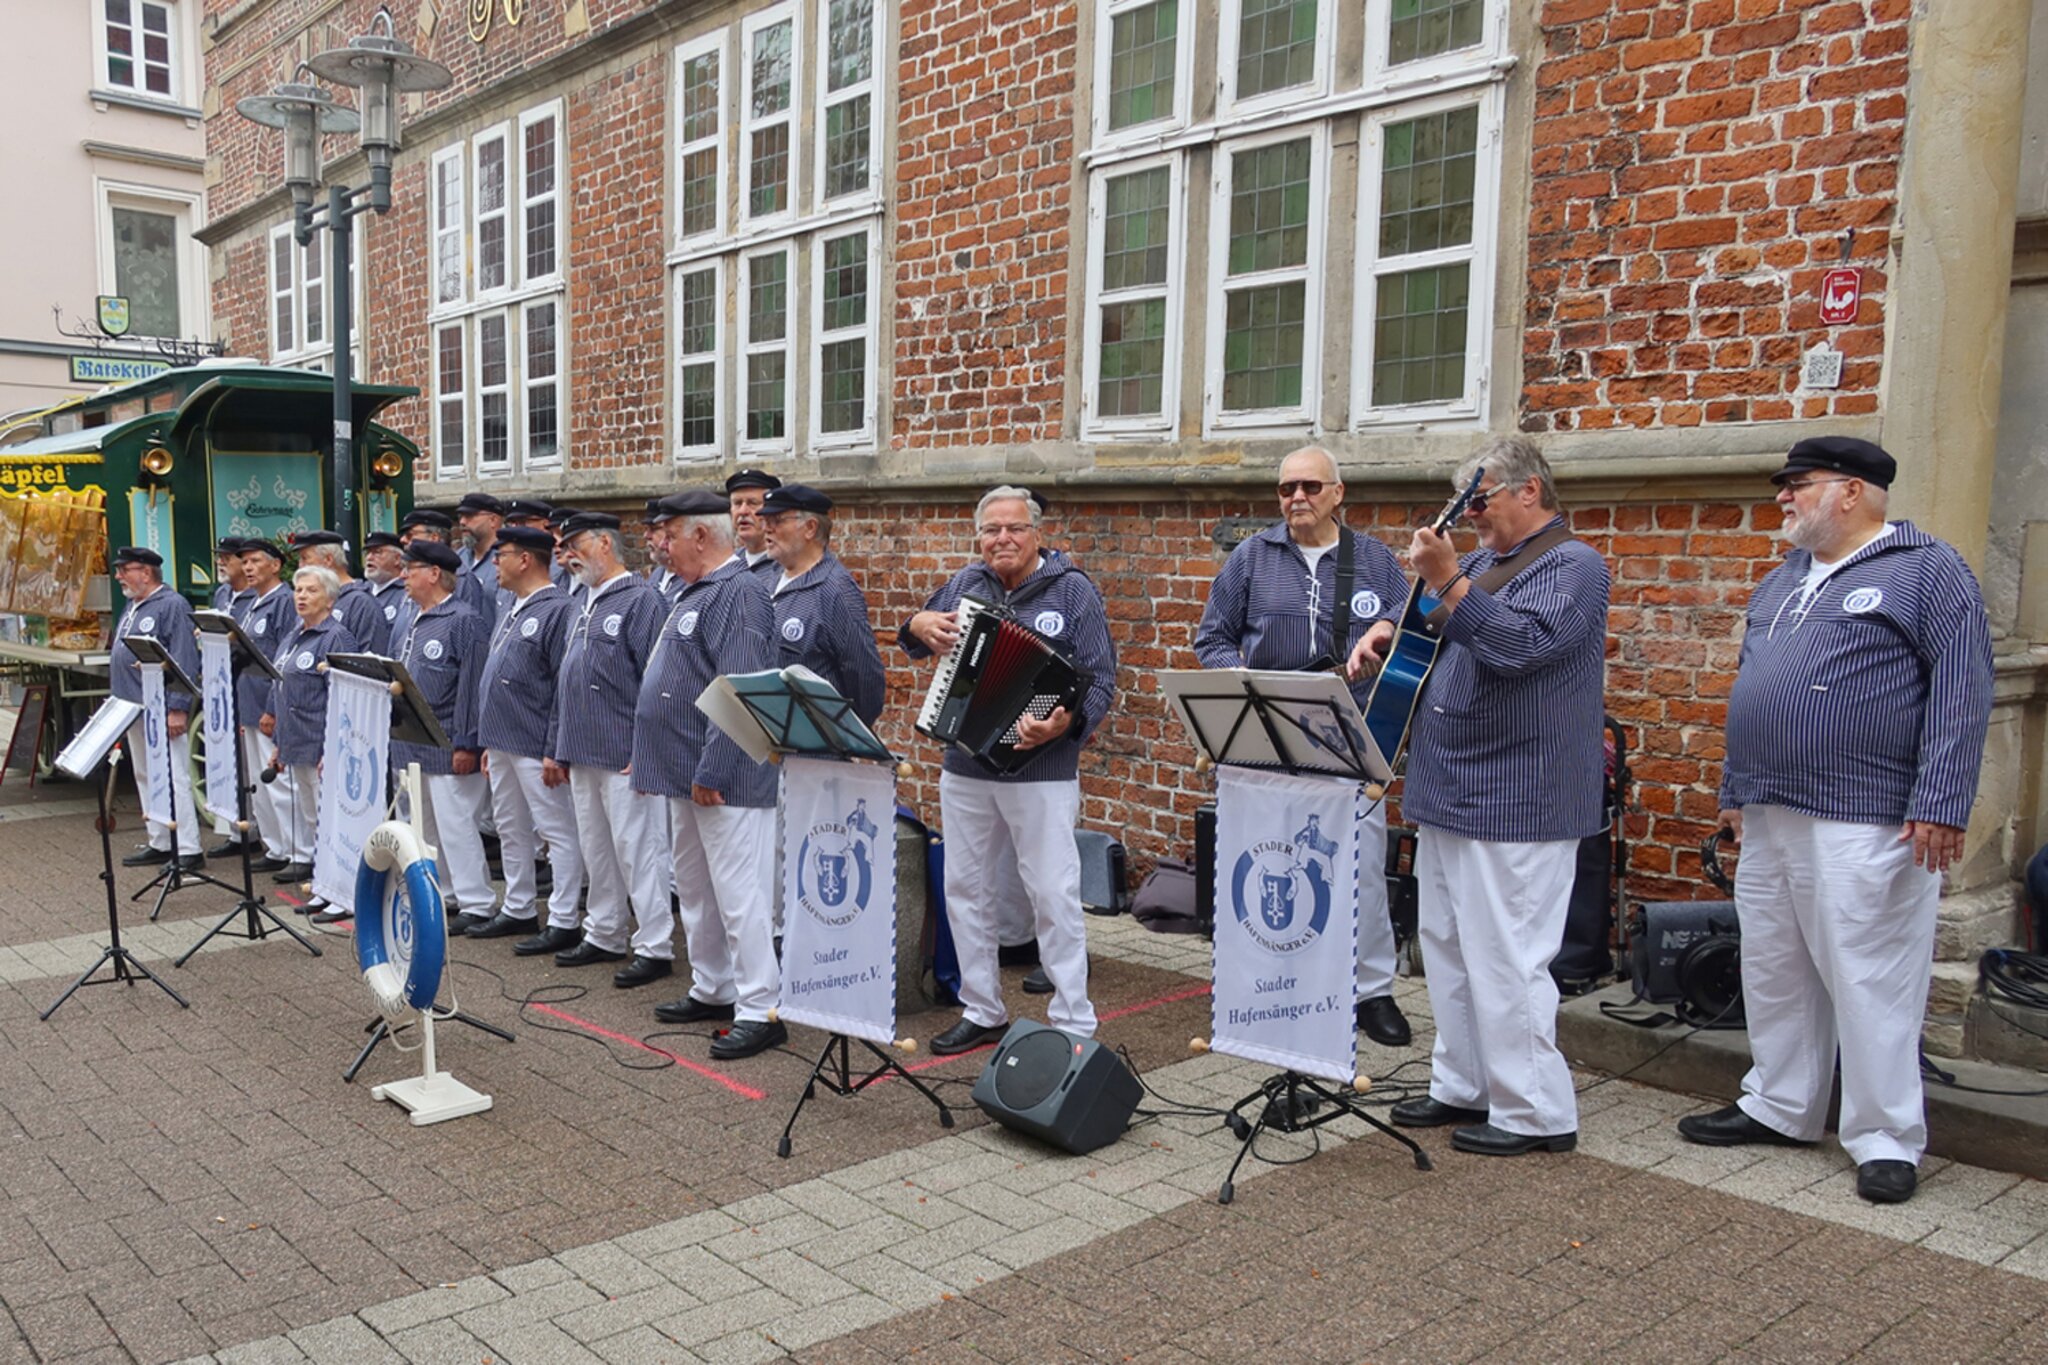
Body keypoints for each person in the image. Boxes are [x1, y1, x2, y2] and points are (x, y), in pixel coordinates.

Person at [1675, 437, 1994, 1206]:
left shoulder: (1927, 569)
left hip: (1868, 813)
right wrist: (1734, 788)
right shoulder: (1784, 577)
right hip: (1772, 807)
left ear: (1851, 492)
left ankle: (1885, 1134)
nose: (1783, 497)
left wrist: (1941, 801)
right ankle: (1781, 1102)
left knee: (1871, 973)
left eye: (1798, 484)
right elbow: (1754, 687)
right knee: (1776, 963)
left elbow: (1962, 687)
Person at [1355, 436, 1608, 1157]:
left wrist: (1448, 582)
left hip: (1520, 793)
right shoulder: (1476, 563)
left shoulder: (1574, 565)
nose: (1470, 518)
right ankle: (1463, 1081)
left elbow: (1522, 646)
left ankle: (1535, 1111)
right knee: (1449, 948)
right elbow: (1429, 634)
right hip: (1451, 787)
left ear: (1529, 491)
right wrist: (1386, 628)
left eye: (1480, 500)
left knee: (1508, 953)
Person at [1195, 445, 1414, 1048]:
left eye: (1311, 487)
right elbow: (1212, 637)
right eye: (1288, 487)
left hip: (1350, 736)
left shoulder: (1372, 559)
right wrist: (1242, 682)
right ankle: (1274, 978)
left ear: (1338, 493)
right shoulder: (1251, 557)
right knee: (1267, 859)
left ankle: (1371, 991)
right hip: (1267, 737)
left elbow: (1410, 618)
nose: (1298, 498)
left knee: (1363, 870)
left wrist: (1387, 627)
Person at [900, 485, 1119, 1052]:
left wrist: (1065, 726)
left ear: (1037, 533)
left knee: (1052, 891)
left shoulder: (1072, 593)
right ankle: (982, 1007)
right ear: (979, 537)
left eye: (1014, 528)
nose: (1002, 538)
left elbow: (1100, 679)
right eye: (991, 530)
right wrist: (919, 623)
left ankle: (1073, 1020)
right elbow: (914, 639)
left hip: (1041, 771)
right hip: (965, 763)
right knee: (965, 889)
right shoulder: (965, 583)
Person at [633, 491, 785, 1058]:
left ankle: (760, 1007)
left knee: (740, 894)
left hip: (726, 777)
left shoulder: (740, 593)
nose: (660, 545)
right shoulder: (694, 591)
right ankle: (714, 985)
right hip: (687, 772)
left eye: (668, 535)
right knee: (695, 889)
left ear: (701, 535)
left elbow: (740, 689)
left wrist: (713, 766)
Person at [545, 512, 672, 979]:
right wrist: (558, 745)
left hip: (623, 750)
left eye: (576, 543)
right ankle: (604, 930)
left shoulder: (641, 599)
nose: (568, 554)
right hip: (583, 747)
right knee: (596, 847)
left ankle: (655, 944)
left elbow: (655, 681)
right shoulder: (581, 600)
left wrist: (646, 750)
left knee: (639, 848)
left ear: (604, 543)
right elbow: (566, 677)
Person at [464, 524, 588, 954]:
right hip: (502, 740)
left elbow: (562, 685)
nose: (494, 563)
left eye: (503, 555)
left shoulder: (559, 609)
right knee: (511, 827)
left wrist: (555, 747)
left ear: (525, 559)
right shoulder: (512, 607)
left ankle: (564, 917)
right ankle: (518, 906)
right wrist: (488, 742)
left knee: (556, 830)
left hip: (534, 741)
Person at [389, 539, 493, 926]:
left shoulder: (464, 620)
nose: (403, 576)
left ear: (434, 574)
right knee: (423, 827)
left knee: (457, 827)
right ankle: (444, 894)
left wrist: (467, 742)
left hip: (448, 742)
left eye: (410, 569)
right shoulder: (411, 619)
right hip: (411, 744)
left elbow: (471, 686)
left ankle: (477, 902)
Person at [257, 566, 358, 894]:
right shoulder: (293, 634)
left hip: (321, 745)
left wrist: (334, 748)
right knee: (313, 818)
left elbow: (345, 698)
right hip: (296, 741)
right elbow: (281, 685)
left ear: (329, 599)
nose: (301, 596)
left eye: (310, 590)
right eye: (298, 590)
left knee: (331, 821)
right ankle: (325, 883)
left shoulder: (336, 637)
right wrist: (279, 743)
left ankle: (342, 888)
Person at [759, 485, 886, 727]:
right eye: (765, 520)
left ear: (810, 528)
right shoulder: (766, 580)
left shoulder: (835, 590)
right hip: (768, 742)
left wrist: (843, 733)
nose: (767, 528)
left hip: (815, 749)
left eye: (776, 520)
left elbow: (864, 677)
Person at [110, 547, 203, 871]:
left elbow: (184, 658)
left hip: (161, 707)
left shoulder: (172, 605)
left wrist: (178, 707)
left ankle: (189, 846)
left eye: (125, 569)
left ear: (146, 572)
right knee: (145, 774)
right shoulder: (134, 604)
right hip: (134, 705)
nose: (119, 576)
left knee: (174, 775)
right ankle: (160, 839)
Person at [236, 540, 300, 874]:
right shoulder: (252, 603)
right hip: (249, 703)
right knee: (259, 785)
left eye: (255, 561)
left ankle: (294, 851)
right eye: (244, 562)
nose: (247, 568)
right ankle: (275, 846)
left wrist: (273, 708)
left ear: (275, 565)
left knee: (278, 782)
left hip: (268, 704)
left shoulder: (284, 602)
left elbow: (283, 659)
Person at [292, 530, 387, 655]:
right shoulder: (305, 601)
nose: (301, 565)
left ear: (328, 559)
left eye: (305, 558)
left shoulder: (360, 602)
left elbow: (371, 660)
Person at [454, 491, 506, 628]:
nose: (462, 522)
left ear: (493, 520)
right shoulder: (458, 559)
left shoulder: (508, 558)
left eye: (470, 516)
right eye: (461, 516)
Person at [726, 469, 780, 578]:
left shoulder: (785, 565)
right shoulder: (728, 564)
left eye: (752, 503)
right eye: (737, 503)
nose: (743, 511)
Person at [362, 531, 409, 640]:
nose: (369, 557)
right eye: (367, 552)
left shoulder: (407, 593)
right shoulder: (362, 591)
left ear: (397, 559)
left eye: (377, 552)